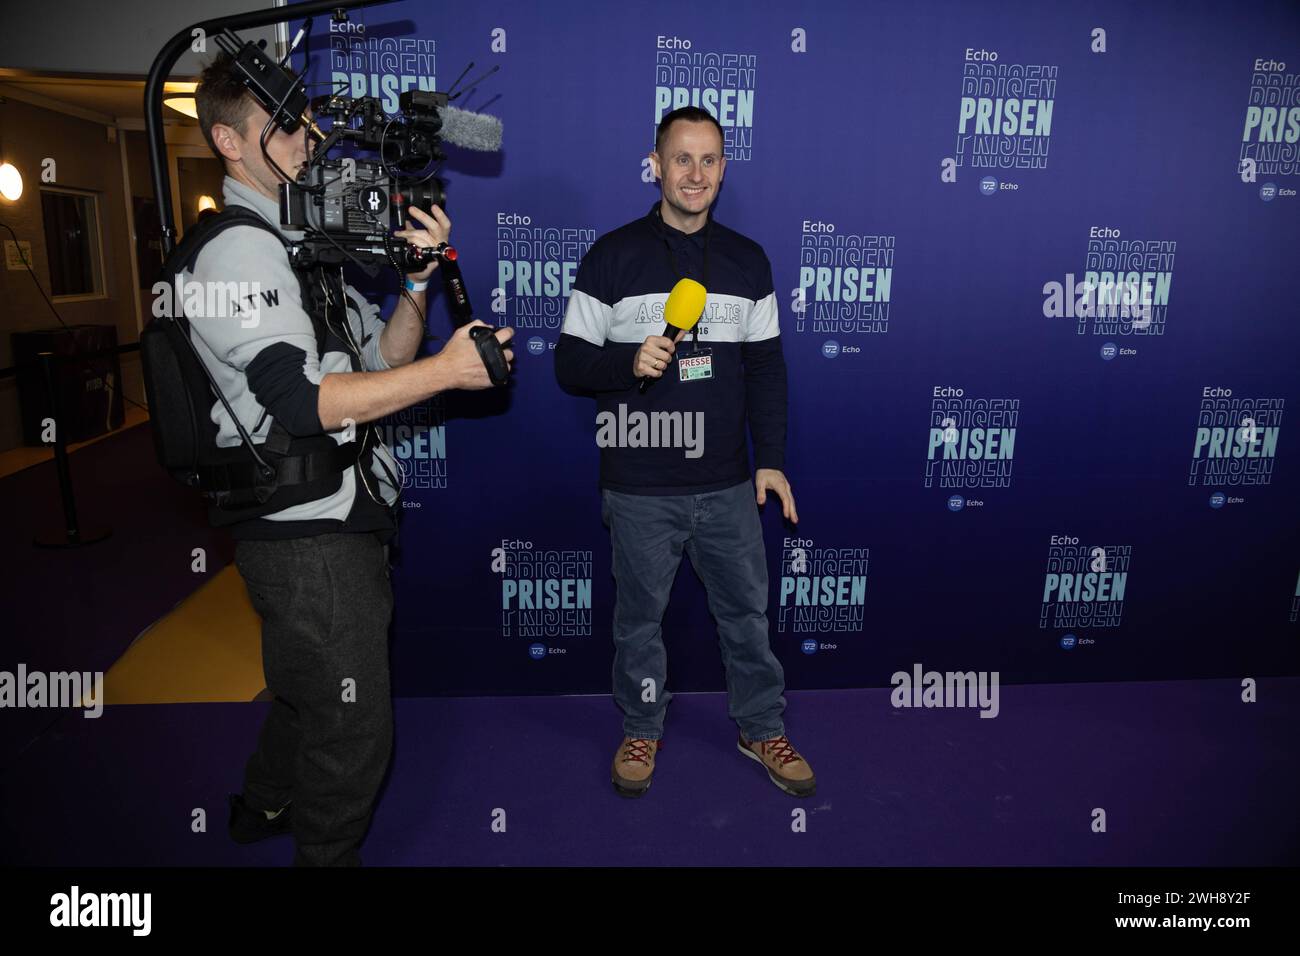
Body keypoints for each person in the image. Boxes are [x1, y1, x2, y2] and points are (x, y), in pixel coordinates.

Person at [189, 52, 514, 864]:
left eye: (303, 122)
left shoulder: (296, 241)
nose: (306, 141)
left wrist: (413, 288)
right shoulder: (239, 253)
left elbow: (372, 368)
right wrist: (449, 372)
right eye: (283, 129)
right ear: (231, 144)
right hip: (305, 534)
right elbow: (303, 404)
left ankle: (261, 808)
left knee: (306, 692)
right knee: (353, 724)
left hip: (334, 514)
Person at [554, 106, 815, 799]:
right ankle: (641, 725)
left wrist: (772, 459)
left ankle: (761, 726)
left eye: (708, 160)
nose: (694, 174)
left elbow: (766, 370)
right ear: (656, 165)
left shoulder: (748, 260)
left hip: (728, 483)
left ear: (723, 169)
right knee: (639, 622)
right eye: (680, 159)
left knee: (747, 619)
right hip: (639, 481)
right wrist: (626, 363)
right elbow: (569, 364)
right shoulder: (611, 256)